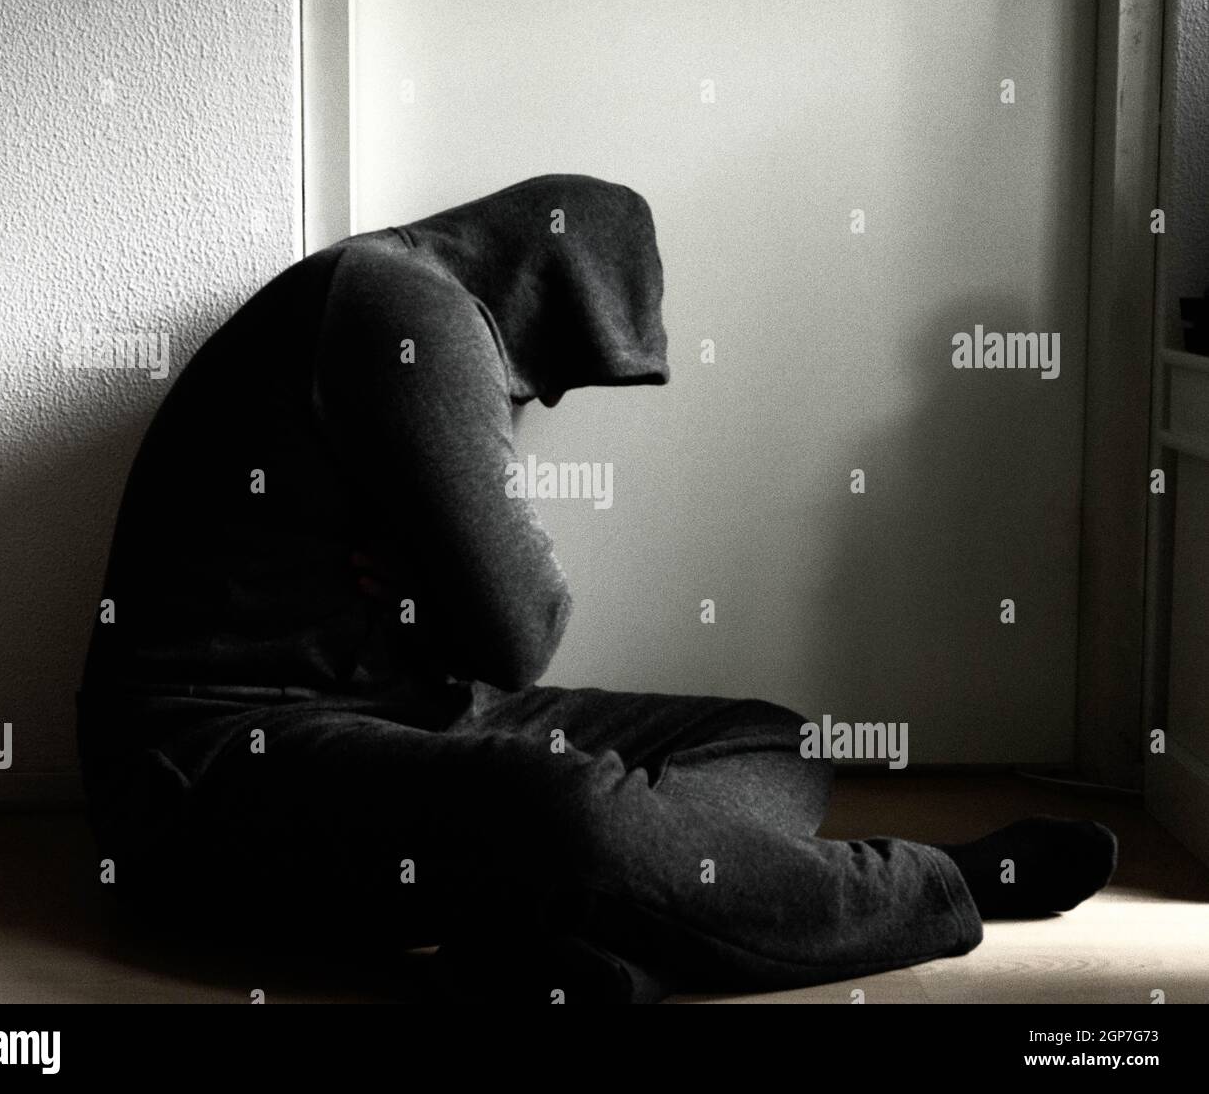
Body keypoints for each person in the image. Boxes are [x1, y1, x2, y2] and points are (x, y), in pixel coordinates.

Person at [75, 173, 1117, 1003]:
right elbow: (523, 628)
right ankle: (935, 883)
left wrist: (434, 579)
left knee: (775, 736)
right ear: (547, 286)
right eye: (566, 368)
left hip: (414, 712)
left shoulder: (400, 303)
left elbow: (483, 624)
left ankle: (605, 957)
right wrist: (454, 581)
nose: (553, 396)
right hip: (209, 774)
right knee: (565, 811)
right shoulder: (409, 310)